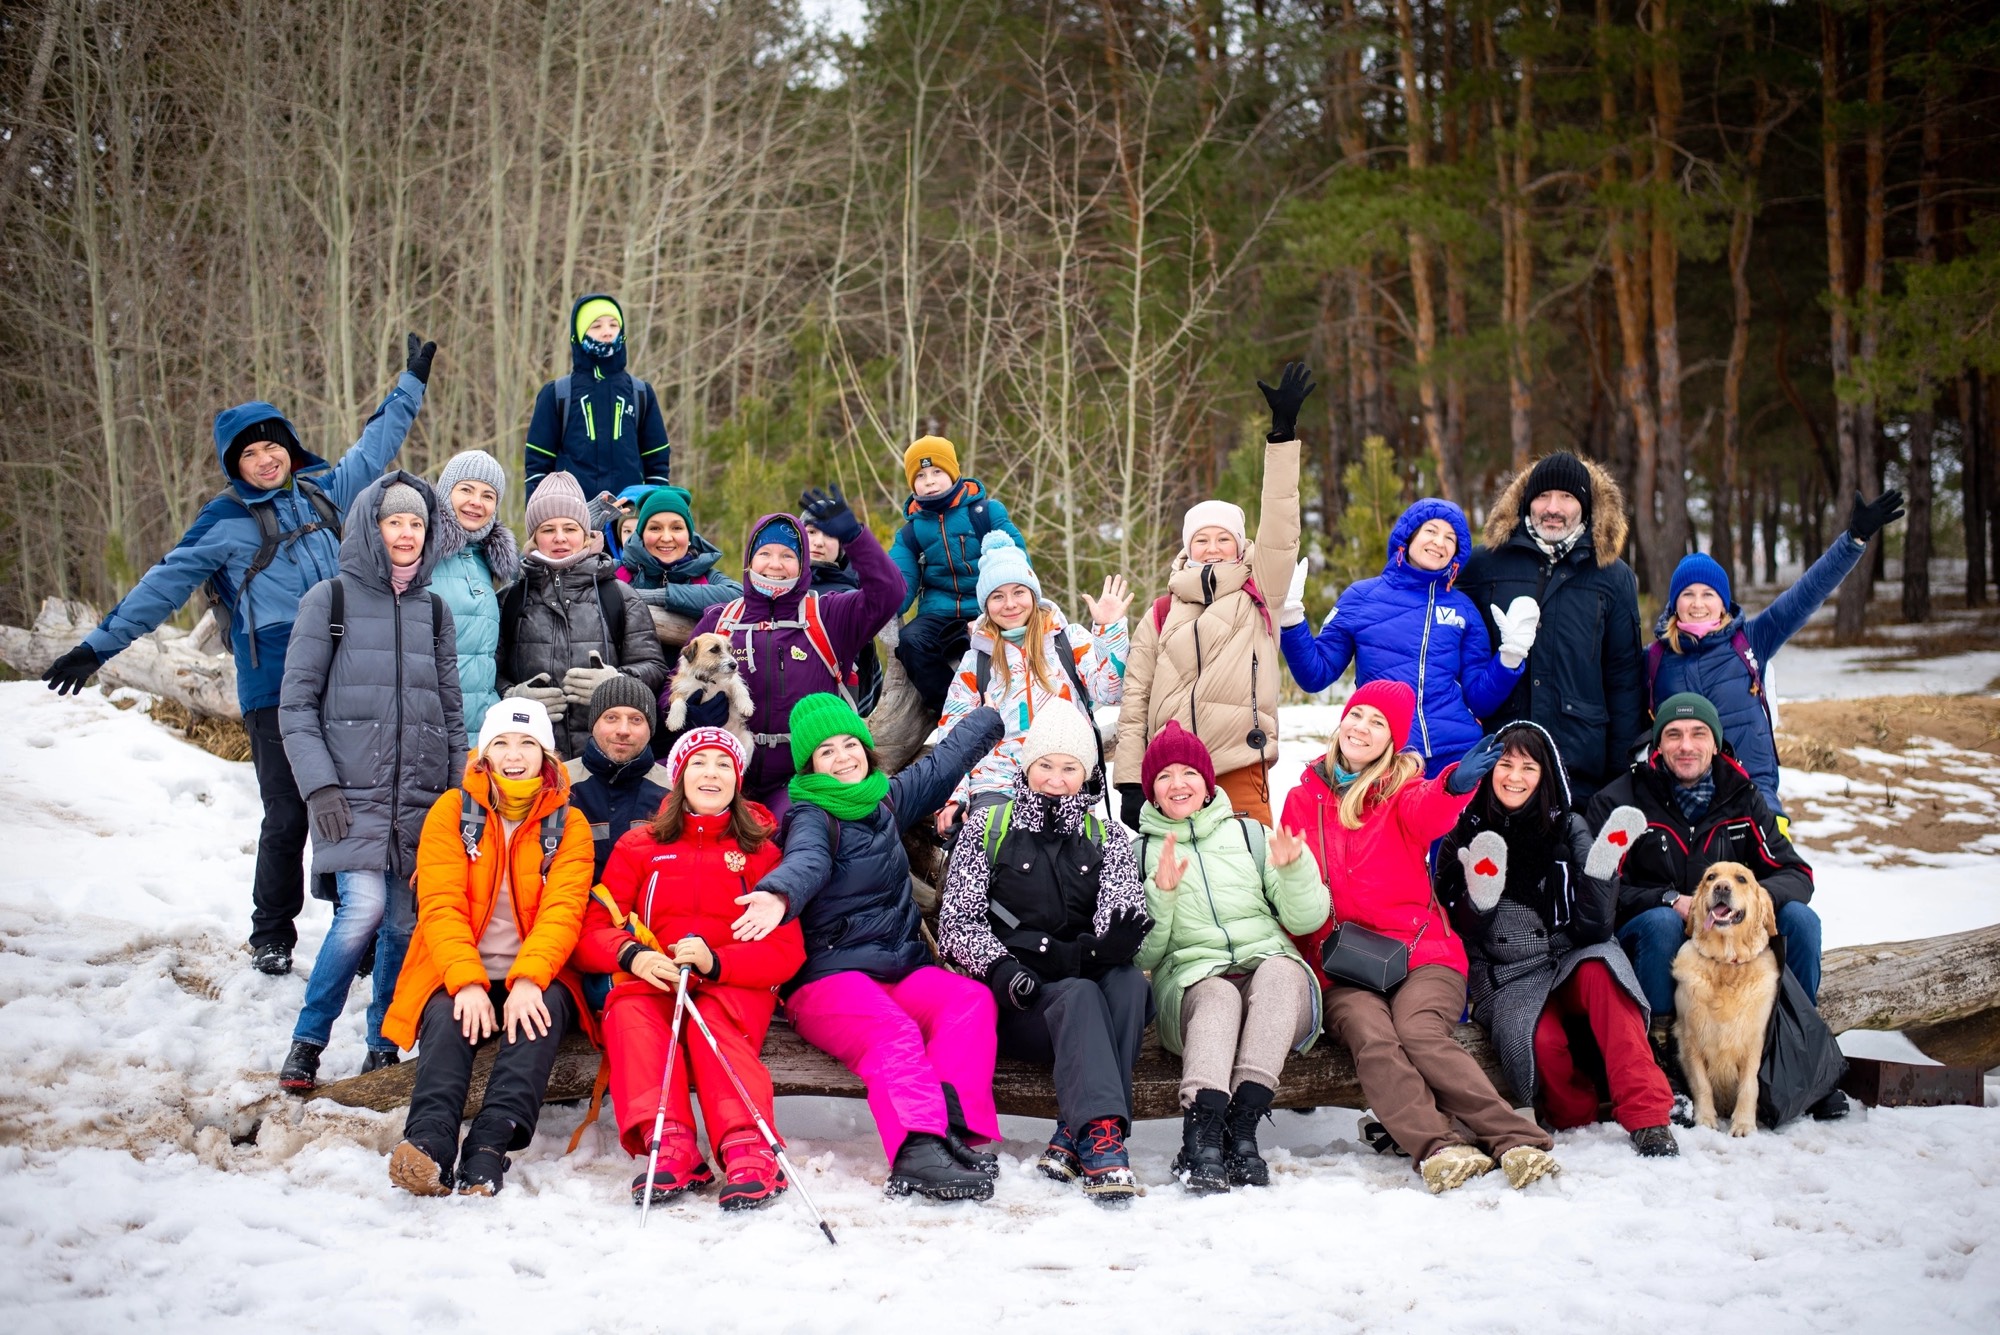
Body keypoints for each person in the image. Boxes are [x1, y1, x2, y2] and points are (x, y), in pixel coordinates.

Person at [41, 336, 436, 977]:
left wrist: (410, 382)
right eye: (249, 453)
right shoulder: (221, 522)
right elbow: (163, 583)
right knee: (289, 810)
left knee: (355, 805)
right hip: (275, 681)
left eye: (271, 445)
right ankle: (272, 933)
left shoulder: (323, 491)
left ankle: (354, 930)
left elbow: (376, 445)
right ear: (235, 463)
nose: (264, 459)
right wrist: (98, 645)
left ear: (288, 446)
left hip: (348, 678)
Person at [1282, 680, 1559, 1193]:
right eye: (1357, 715)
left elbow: (1430, 809)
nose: (1362, 728)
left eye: (1378, 722)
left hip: (1420, 953)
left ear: (1393, 739)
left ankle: (1515, 1139)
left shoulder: (1400, 792)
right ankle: (1439, 1146)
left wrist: (1454, 784)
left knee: (1418, 1030)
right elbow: (1294, 892)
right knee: (1372, 1033)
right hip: (1343, 966)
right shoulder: (1302, 800)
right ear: (1341, 721)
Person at [731, 693, 1006, 1201]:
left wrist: (994, 715)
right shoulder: (811, 814)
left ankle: (950, 1132)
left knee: (969, 1000)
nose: (843, 758)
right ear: (810, 765)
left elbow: (943, 764)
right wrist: (778, 893)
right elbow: (807, 861)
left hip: (899, 970)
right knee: (892, 1032)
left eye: (849, 744)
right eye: (826, 752)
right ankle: (918, 1149)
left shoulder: (883, 799)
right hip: (830, 981)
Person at [274, 473, 466, 1091]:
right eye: (395, 522)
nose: (406, 534)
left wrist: (459, 795)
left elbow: (452, 712)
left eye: (417, 523)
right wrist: (319, 788)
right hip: (348, 795)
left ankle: (383, 1044)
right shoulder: (327, 602)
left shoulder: (434, 611)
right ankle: (307, 1041)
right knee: (364, 911)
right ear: (371, 528)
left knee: (404, 924)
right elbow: (296, 707)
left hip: (421, 798)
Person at [575, 727, 806, 1210]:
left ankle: (747, 1145)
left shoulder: (762, 851)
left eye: (723, 764)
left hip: (732, 978)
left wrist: (717, 961)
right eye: (699, 763)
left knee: (715, 1025)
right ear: (679, 776)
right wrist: (633, 955)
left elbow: (786, 948)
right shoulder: (640, 845)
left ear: (737, 781)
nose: (711, 773)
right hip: (656, 972)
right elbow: (594, 924)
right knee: (629, 1011)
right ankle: (672, 1143)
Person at [381, 697, 594, 1198]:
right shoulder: (453, 813)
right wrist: (468, 981)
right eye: (501, 743)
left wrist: (527, 979)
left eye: (527, 743)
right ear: (484, 753)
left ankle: (489, 1145)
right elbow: (440, 906)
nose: (514, 754)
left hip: (537, 971)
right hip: (458, 965)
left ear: (547, 754)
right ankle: (429, 1145)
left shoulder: (570, 826)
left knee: (536, 1019)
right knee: (447, 1019)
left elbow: (563, 912)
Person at [937, 704, 1150, 1203]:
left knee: (1126, 982)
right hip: (1022, 1002)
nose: (1056, 779)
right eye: (1046, 766)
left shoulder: (1106, 837)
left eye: (1069, 767)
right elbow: (957, 923)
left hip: (1088, 993)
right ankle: (1100, 1135)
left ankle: (1081, 1135)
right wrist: (1002, 966)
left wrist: (1108, 945)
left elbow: (1121, 910)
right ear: (1027, 768)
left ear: (1088, 773)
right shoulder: (989, 828)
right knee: (1078, 992)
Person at [1436, 721, 1677, 1158]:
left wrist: (1599, 878)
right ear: (1488, 770)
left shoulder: (1569, 826)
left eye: (1528, 767)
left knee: (1605, 977)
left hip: (1573, 952)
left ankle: (1649, 1117)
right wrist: (1481, 903)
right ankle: (1578, 1114)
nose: (1514, 776)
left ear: (1545, 775)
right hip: (1508, 974)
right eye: (1504, 764)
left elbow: (1595, 928)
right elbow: (1453, 924)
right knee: (1541, 1046)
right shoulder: (1461, 833)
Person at [1131, 721, 1326, 1194]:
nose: (1178, 784)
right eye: (1164, 777)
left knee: (1281, 970)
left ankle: (1241, 1132)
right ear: (1152, 793)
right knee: (1217, 994)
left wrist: (1296, 871)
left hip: (1272, 988)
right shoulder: (1138, 853)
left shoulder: (1252, 836)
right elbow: (1142, 954)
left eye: (1188, 773)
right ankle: (1200, 1137)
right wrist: (1162, 895)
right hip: (1193, 994)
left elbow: (1306, 920)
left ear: (1208, 781)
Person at [1114, 364, 1307, 827]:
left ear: (1240, 545)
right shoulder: (1161, 612)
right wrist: (1127, 779)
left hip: (1239, 765)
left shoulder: (1261, 590)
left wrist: (1281, 440)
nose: (1213, 547)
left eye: (1225, 538)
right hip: (1170, 773)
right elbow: (1136, 696)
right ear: (1188, 547)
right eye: (1202, 539)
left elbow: (1280, 528)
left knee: (1249, 883)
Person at [1647, 490, 1905, 814]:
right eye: (1688, 594)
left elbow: (1805, 594)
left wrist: (1853, 539)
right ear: (1675, 604)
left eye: (1708, 594)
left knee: (1779, 866)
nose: (1698, 604)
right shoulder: (1655, 659)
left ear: (1723, 602)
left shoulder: (1751, 641)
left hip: (1753, 800)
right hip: (1681, 808)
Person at [1586, 693, 1820, 1018]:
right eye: (1674, 734)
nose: (1686, 746)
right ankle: (1661, 1040)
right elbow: (1597, 890)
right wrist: (1668, 899)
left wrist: (1750, 899)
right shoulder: (1619, 802)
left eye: (1699, 733)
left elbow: (1796, 873)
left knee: (1801, 920)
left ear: (1715, 744)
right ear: (1658, 746)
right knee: (1662, 923)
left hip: (1727, 937)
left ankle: (1793, 1032)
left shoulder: (1743, 797)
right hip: (1649, 942)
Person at [677, 487, 904, 817]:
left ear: (803, 563)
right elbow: (673, 690)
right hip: (727, 772)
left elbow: (889, 593)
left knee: (795, 839)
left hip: (803, 778)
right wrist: (696, 711)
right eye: (765, 554)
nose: (775, 565)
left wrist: (856, 538)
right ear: (749, 560)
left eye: (787, 556)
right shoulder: (721, 621)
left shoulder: (828, 615)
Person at [1281, 498, 1538, 776]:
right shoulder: (1362, 597)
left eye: (1450, 538)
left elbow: (1479, 702)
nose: (1439, 542)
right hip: (1385, 757)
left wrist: (1509, 659)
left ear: (1457, 552)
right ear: (1409, 534)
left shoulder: (1463, 609)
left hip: (1453, 757)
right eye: (1431, 531)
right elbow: (1314, 675)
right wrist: (1292, 619)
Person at [1457, 451, 1643, 801]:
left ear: (1585, 506)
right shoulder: (1484, 565)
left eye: (1566, 497)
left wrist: (1621, 776)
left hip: (1579, 768)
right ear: (1527, 502)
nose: (1552, 507)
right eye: (1543, 496)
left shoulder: (1613, 577)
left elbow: (1624, 681)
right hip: (1498, 761)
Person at [932, 532, 1128, 835]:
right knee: (996, 866)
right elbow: (952, 734)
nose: (1010, 604)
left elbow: (1111, 692)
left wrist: (1109, 630)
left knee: (1066, 874)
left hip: (1064, 780)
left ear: (1033, 594)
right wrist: (952, 797)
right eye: (998, 596)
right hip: (997, 784)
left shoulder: (1068, 640)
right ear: (986, 604)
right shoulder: (977, 662)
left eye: (1018, 592)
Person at [496, 470, 668, 763]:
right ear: (534, 537)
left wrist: (616, 682)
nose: (560, 538)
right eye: (548, 529)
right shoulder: (511, 599)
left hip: (606, 761)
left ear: (587, 534)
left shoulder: (619, 596)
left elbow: (655, 669)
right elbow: (488, 672)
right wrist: (512, 695)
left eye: (570, 528)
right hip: (532, 761)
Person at [888, 436, 1029, 714]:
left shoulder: (985, 513)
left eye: (937, 472)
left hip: (988, 606)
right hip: (939, 612)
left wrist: (993, 611)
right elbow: (899, 583)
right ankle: (954, 710)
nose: (929, 481)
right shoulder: (910, 532)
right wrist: (882, 596)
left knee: (999, 643)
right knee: (911, 642)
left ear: (953, 473)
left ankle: (1013, 707)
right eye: (921, 475)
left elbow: (1016, 560)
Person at [524, 294, 668, 501]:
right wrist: (540, 519)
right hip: (571, 519)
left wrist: (653, 512)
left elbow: (658, 465)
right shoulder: (556, 394)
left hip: (628, 520)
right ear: (579, 335)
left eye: (613, 325)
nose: (607, 332)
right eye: (596, 326)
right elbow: (537, 466)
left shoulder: (641, 393)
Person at [430, 450, 516, 749]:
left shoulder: (487, 560)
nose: (476, 502)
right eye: (466, 489)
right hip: (433, 725)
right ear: (445, 492)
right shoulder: (422, 549)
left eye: (488, 495)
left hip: (482, 727)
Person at [566, 676, 673, 883]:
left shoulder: (673, 789)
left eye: (636, 719)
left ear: (650, 729)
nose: (623, 730)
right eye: (611, 717)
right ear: (593, 723)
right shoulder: (559, 783)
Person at [615, 485, 742, 619]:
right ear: (641, 535)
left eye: (676, 528)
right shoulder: (617, 571)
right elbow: (591, 579)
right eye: (655, 528)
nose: (666, 538)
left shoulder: (706, 577)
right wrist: (591, 527)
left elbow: (739, 597)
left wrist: (660, 596)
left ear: (689, 535)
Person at [804, 515, 885, 717]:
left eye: (831, 534)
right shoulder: (778, 589)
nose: (819, 542)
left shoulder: (855, 595)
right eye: (811, 532)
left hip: (837, 708)